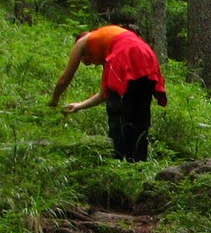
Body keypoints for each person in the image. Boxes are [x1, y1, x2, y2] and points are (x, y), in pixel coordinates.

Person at [49, 20, 167, 161]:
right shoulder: (109, 42)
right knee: (140, 115)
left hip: (126, 54)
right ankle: (139, 162)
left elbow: (65, 78)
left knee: (117, 112)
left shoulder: (82, 42)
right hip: (147, 55)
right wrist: (78, 106)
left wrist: (54, 100)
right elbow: (104, 93)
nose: (89, 63)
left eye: (88, 61)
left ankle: (119, 159)